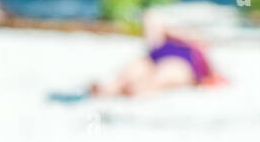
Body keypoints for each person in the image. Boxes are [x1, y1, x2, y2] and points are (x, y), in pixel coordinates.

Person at [89, 11, 225, 97]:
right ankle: (109, 89)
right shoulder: (164, 39)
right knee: (132, 70)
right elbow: (151, 17)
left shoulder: (197, 49)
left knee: (164, 74)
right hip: (154, 57)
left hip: (181, 64)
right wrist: (173, 32)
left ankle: (139, 89)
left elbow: (210, 72)